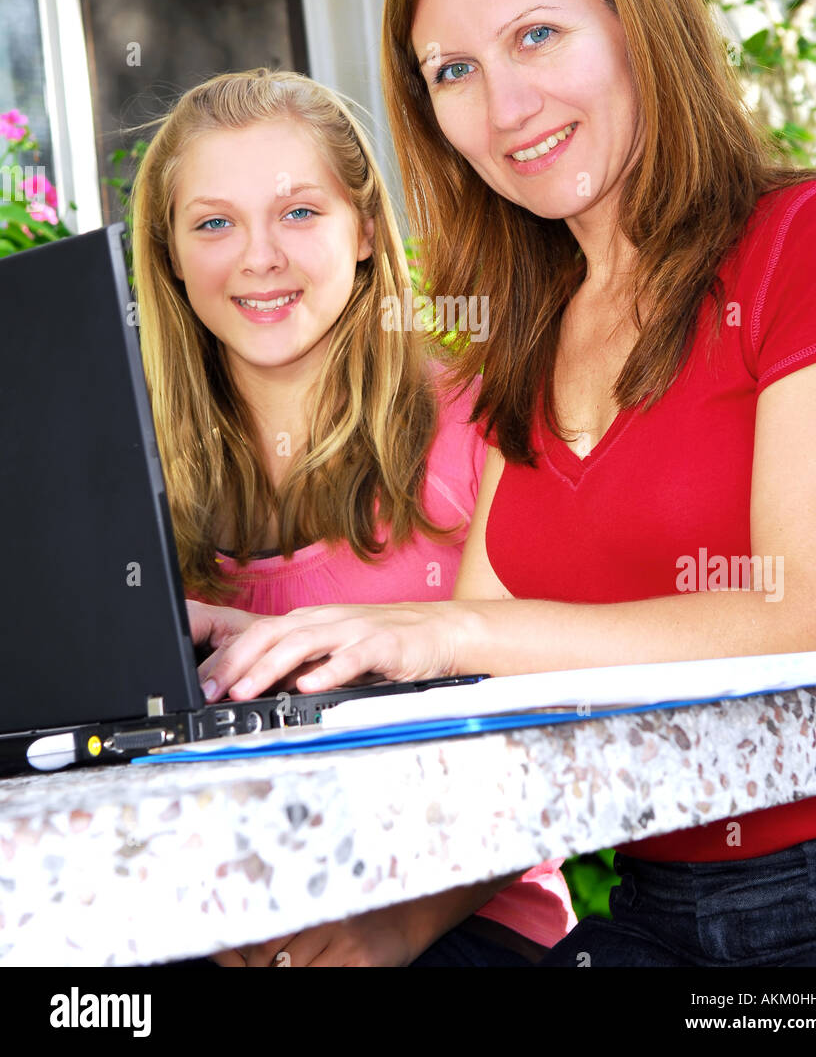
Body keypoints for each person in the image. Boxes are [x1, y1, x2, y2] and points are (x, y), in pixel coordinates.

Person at [189, 0, 816, 968]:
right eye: (452, 70)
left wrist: (446, 629)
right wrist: (282, 656)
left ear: (636, 21)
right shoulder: (532, 335)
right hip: (646, 907)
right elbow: (490, 691)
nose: (504, 107)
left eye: (538, 36)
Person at [127, 67, 575, 967]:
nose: (259, 257)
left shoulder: (488, 430)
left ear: (366, 229)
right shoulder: (130, 469)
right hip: (212, 920)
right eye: (214, 223)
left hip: (455, 908)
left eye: (300, 213)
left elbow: (549, 733)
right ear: (170, 254)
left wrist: (398, 923)